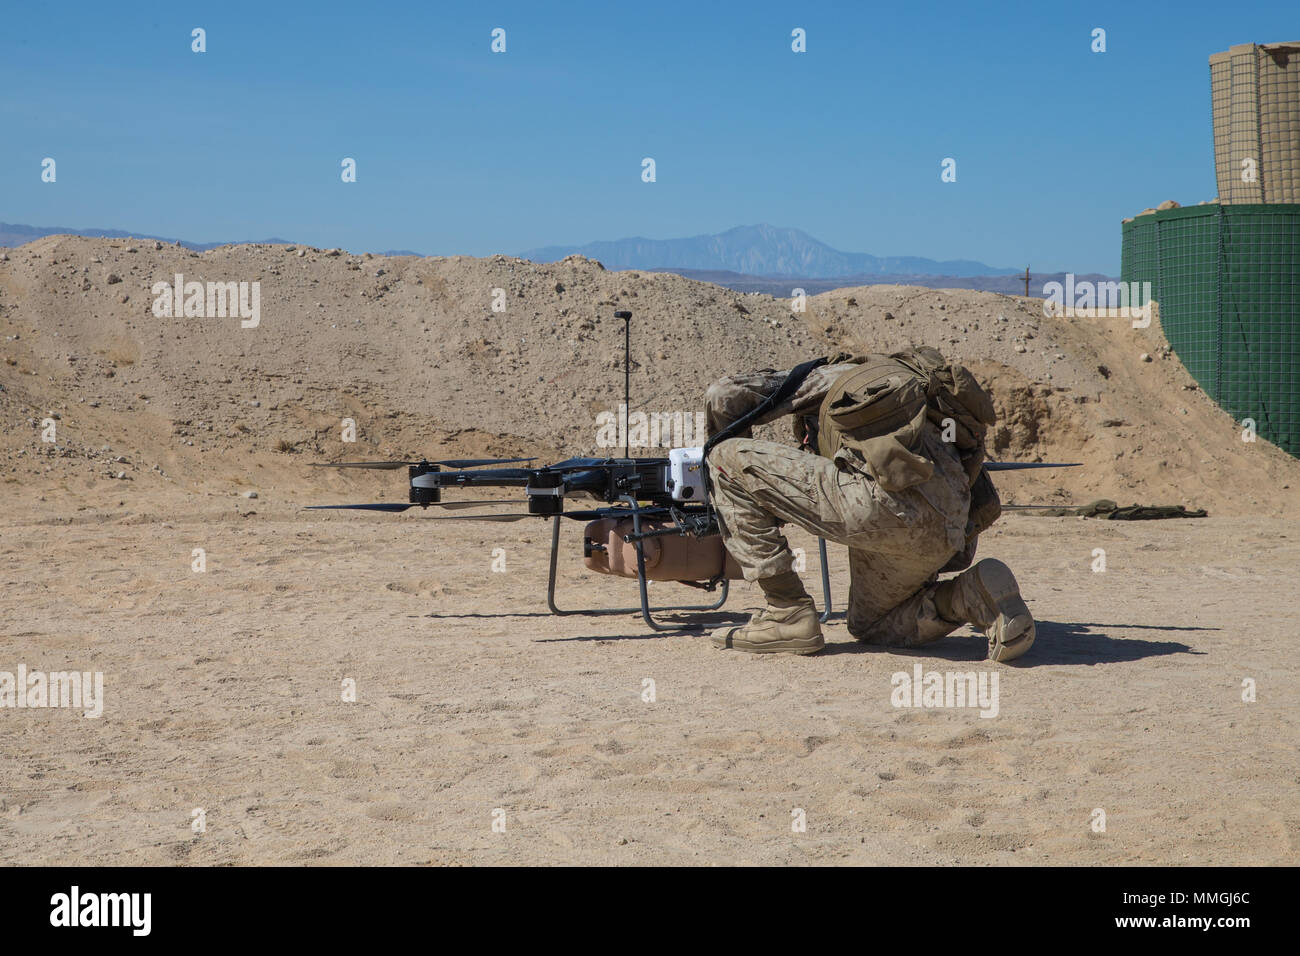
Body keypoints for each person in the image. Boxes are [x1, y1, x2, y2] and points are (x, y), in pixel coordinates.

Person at [703, 348, 1035, 662]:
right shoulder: (924, 392)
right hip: (949, 525)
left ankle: (786, 612)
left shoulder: (833, 376)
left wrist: (730, 488)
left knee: (723, 459)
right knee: (872, 625)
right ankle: (970, 595)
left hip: (883, 504)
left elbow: (725, 394)